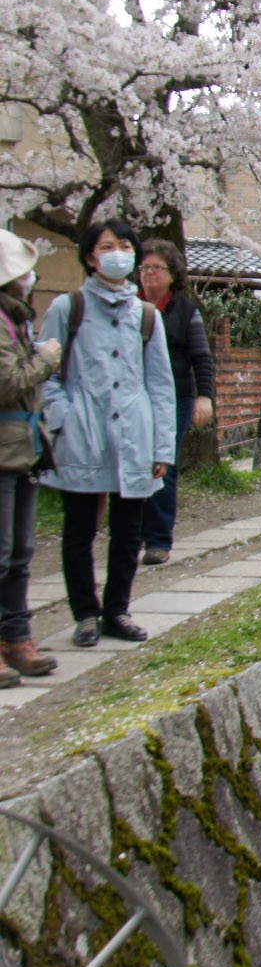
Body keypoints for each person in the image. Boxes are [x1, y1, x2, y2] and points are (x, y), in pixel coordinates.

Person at [39, 219, 176, 647]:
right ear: (90, 257)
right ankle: (84, 612)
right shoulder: (69, 307)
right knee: (79, 529)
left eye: (124, 245)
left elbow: (160, 385)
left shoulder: (146, 316)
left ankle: (117, 609)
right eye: (106, 245)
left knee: (128, 531)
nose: (117, 252)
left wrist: (162, 445)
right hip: (84, 431)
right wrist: (63, 418)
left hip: (134, 434)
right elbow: (45, 373)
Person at [0, 231, 61, 685]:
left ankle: (18, 637)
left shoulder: (17, 320)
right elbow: (8, 381)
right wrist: (46, 359)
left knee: (21, 550)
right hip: (4, 449)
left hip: (25, 446)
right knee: (2, 551)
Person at [133, 241, 217, 565]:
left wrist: (204, 396)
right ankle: (135, 529)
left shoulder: (185, 311)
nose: (149, 274)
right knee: (135, 461)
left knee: (162, 462)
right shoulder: (130, 308)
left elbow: (200, 356)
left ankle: (158, 538)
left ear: (172, 275)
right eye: (145, 268)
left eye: (157, 268)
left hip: (176, 397)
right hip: (133, 397)